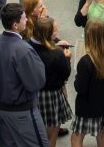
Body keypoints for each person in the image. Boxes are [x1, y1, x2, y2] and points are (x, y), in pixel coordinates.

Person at [0, 3, 48, 147]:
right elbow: (36, 83)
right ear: (15, 25)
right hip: (21, 113)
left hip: (0, 109)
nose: (27, 20)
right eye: (24, 18)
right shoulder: (23, 49)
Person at [71, 19, 104, 146]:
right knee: (102, 134)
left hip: (88, 106)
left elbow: (80, 88)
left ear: (88, 35)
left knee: (76, 136)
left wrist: (77, 77)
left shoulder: (86, 61)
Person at [29, 16, 73, 147]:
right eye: (54, 31)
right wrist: (67, 59)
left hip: (31, 94)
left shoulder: (25, 46)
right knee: (51, 136)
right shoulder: (57, 54)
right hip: (51, 96)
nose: (57, 33)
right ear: (47, 34)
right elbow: (65, 73)